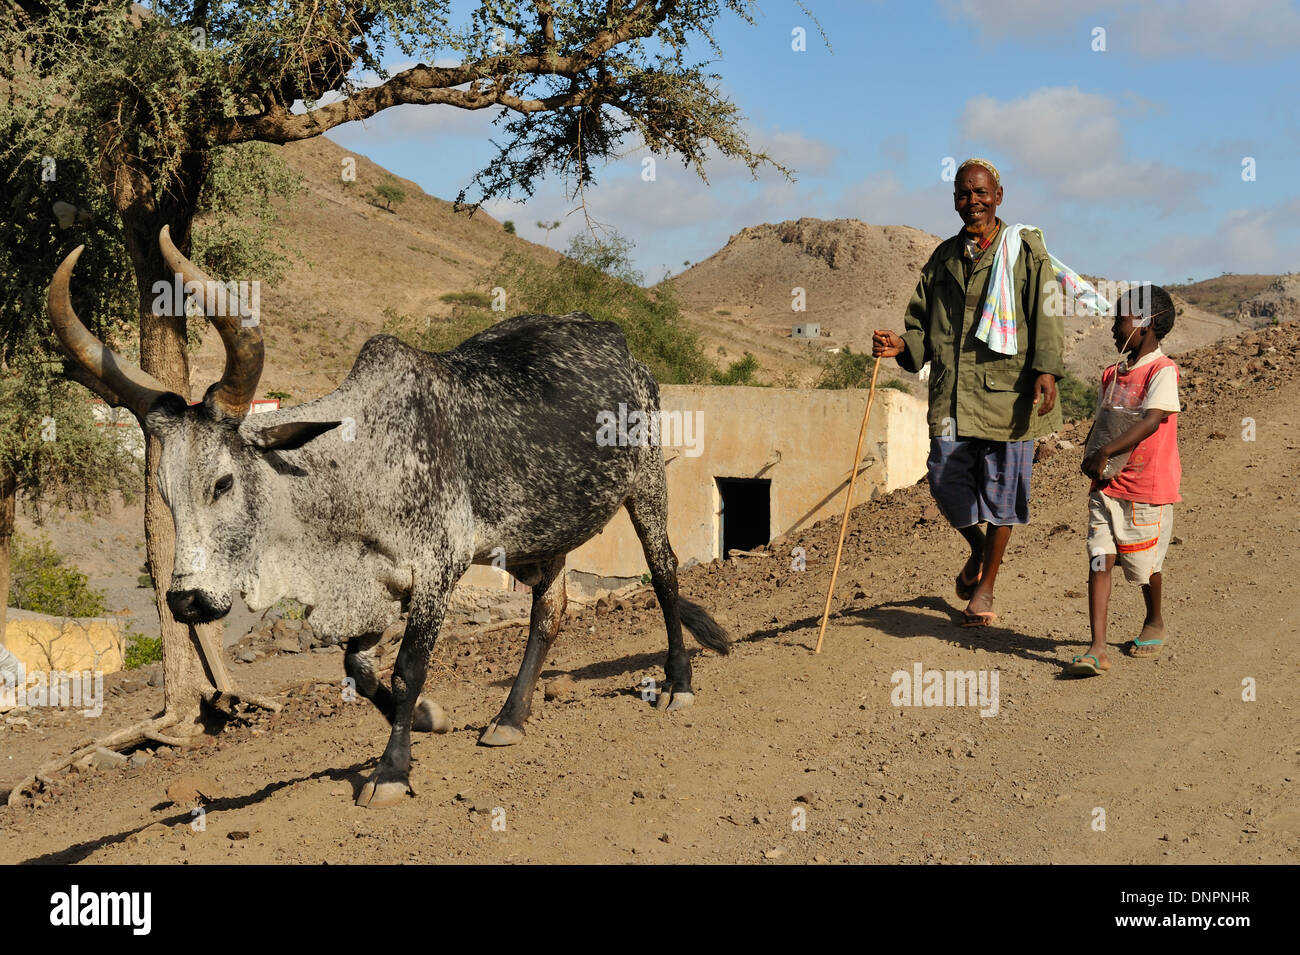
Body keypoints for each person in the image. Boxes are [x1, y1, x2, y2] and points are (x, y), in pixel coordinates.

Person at [872, 158, 1064, 626]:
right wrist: (902, 345)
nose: (972, 201)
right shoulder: (942, 258)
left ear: (999, 195)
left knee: (1003, 493)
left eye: (980, 193)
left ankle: (986, 588)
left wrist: (1047, 369)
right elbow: (920, 325)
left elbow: (1048, 309)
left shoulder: (1025, 252)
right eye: (963, 194)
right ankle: (978, 549)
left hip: (1009, 393)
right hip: (953, 392)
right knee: (943, 478)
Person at [1066, 285, 1180, 676]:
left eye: (1122, 319)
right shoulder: (1112, 374)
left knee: (1145, 565)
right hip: (1106, 487)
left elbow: (1152, 421)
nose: (1114, 327)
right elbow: (1103, 421)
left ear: (1145, 323)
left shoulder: (1162, 372)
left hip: (1146, 489)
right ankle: (1097, 647)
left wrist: (1105, 453)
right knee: (1100, 558)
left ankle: (1154, 619)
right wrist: (1092, 454)